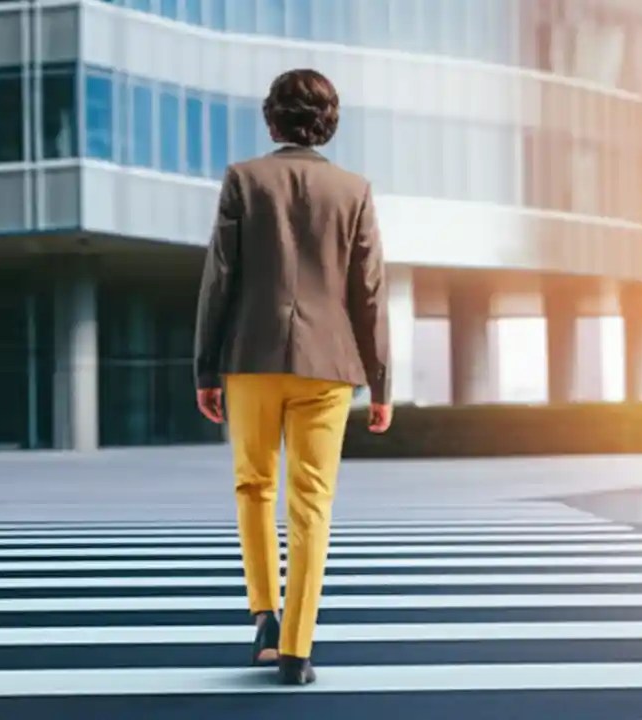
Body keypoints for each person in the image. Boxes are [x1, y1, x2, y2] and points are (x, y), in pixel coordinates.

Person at [193, 68, 393, 686]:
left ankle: (265, 618)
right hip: (328, 366)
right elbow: (369, 292)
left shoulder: (244, 180)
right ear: (327, 123)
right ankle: (297, 650)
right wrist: (381, 382)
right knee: (312, 503)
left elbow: (219, 278)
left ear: (272, 118)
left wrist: (206, 367)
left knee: (254, 486)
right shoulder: (354, 190)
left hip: (251, 358)